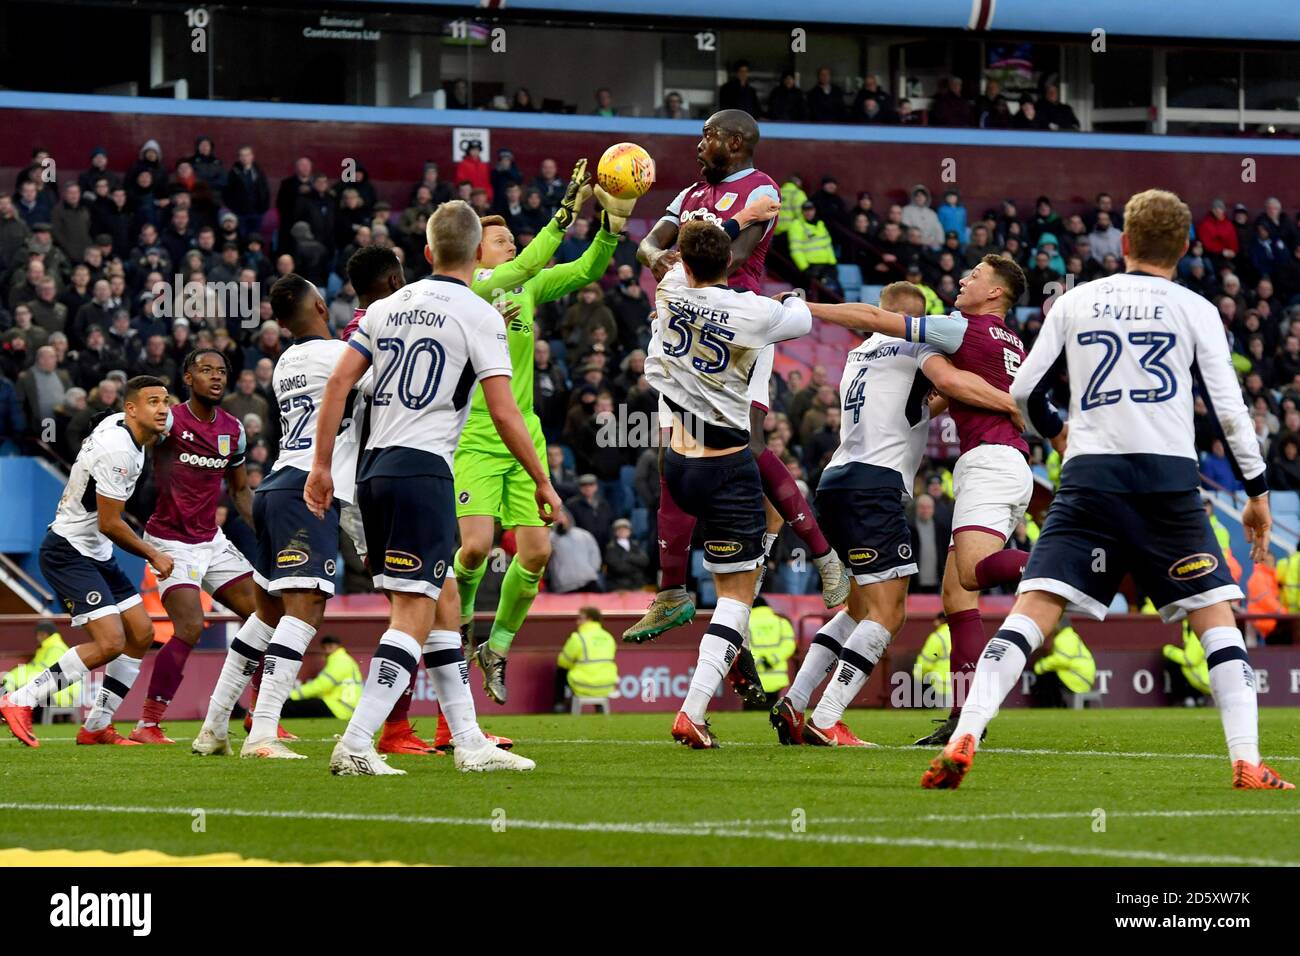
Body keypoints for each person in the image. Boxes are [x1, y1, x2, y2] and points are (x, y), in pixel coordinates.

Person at [922, 188, 1291, 791]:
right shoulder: (1197, 307)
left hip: (1090, 476)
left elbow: (1023, 393)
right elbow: (1230, 409)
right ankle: (1246, 761)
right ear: (1186, 247)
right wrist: (1256, 492)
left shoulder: (1076, 301)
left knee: (1034, 609)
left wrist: (1062, 431)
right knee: (1214, 614)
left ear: (1123, 243)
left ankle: (967, 732)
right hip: (1167, 481)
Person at [304, 201, 551, 774]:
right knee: (415, 610)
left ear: (427, 251)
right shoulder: (480, 311)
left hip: (373, 472)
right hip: (424, 471)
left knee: (441, 602)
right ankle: (357, 742)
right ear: (474, 253)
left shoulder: (388, 306)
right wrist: (541, 479)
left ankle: (467, 741)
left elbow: (340, 381)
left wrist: (321, 466)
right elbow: (506, 412)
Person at [774, 282, 1021, 746]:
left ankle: (796, 698)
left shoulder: (859, 355)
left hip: (836, 482)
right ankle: (828, 717)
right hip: (875, 485)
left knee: (860, 606)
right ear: (915, 317)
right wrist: (1010, 400)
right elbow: (946, 383)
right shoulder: (916, 345)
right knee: (889, 614)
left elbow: (919, 405)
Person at [633, 110, 847, 643]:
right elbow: (645, 248)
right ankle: (671, 592)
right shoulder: (689, 194)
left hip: (739, 330)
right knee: (672, 450)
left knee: (746, 446)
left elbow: (729, 258)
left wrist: (674, 259)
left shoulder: (762, 190)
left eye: (708, 136)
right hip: (687, 325)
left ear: (734, 141)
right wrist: (668, 260)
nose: (699, 144)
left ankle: (824, 557)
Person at [454, 160, 628, 705]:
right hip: (477, 430)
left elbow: (582, 272)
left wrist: (606, 230)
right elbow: (525, 264)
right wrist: (564, 210)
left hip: (522, 429)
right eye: (500, 240)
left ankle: (497, 646)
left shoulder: (526, 286)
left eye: (511, 240)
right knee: (477, 548)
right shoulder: (472, 286)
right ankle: (458, 628)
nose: (510, 247)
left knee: (534, 553)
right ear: (476, 251)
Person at [644, 219, 819, 747]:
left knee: (734, 579)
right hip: (727, 463)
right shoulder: (755, 311)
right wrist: (795, 296)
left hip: (676, 460)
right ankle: (693, 710)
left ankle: (679, 588)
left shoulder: (670, 288)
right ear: (734, 264)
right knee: (737, 595)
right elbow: (803, 320)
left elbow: (655, 250)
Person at [87, 348, 274, 749]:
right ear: (188, 378)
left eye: (222, 371)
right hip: (170, 541)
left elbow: (240, 490)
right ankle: (148, 722)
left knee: (267, 617)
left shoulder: (233, 430)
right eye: (206, 371)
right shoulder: (169, 421)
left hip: (212, 540)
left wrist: (266, 533)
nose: (217, 378)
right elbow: (129, 427)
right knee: (188, 627)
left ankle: (258, 715)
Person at [1, 377, 172, 748]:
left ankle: (97, 725)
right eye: (153, 402)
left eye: (166, 401)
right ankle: (19, 700)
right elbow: (111, 524)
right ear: (131, 409)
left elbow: (107, 421)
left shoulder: (124, 427)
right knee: (111, 641)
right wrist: (153, 553)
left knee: (141, 633)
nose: (163, 409)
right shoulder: (119, 452)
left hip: (96, 552)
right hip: (68, 550)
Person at [1, 621, 80, 715]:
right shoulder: (46, 648)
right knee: (26, 688)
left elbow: (45, 673)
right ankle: (9, 709)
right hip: (56, 690)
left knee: (27, 689)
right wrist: (13, 675)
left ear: (45, 634)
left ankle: (9, 710)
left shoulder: (56, 649)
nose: (37, 637)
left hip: (64, 693)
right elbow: (35, 670)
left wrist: (14, 677)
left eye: (39, 634)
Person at [280, 636, 362, 720]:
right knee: (300, 706)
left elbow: (321, 686)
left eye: (330, 646)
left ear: (338, 646)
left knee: (288, 706)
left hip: (338, 707)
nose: (327, 649)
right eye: (325, 647)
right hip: (343, 707)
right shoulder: (343, 659)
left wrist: (291, 695)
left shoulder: (340, 660)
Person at [555, 606, 619, 705]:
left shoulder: (578, 638)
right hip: (607, 685)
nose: (577, 622)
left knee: (561, 671)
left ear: (589, 619)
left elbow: (563, 662)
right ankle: (600, 709)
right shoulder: (609, 637)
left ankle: (559, 705)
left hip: (583, 684)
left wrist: (574, 665)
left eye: (580, 618)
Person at [1029, 619, 1095, 707]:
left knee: (1045, 678)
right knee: (1050, 679)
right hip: (1082, 677)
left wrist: (1041, 665)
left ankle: (1049, 707)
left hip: (1077, 677)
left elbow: (1062, 660)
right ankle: (1057, 705)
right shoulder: (1070, 636)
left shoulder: (1064, 637)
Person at [747, 596, 795, 707]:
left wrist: (758, 661)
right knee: (772, 710)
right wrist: (772, 659)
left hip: (753, 676)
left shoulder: (746, 623)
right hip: (776, 677)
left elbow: (744, 646)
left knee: (751, 710)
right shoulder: (782, 623)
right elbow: (789, 645)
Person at [912, 613, 952, 707]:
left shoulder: (938, 637)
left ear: (941, 620)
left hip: (943, 686)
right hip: (965, 684)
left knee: (946, 718)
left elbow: (926, 662)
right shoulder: (962, 634)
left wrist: (918, 676)